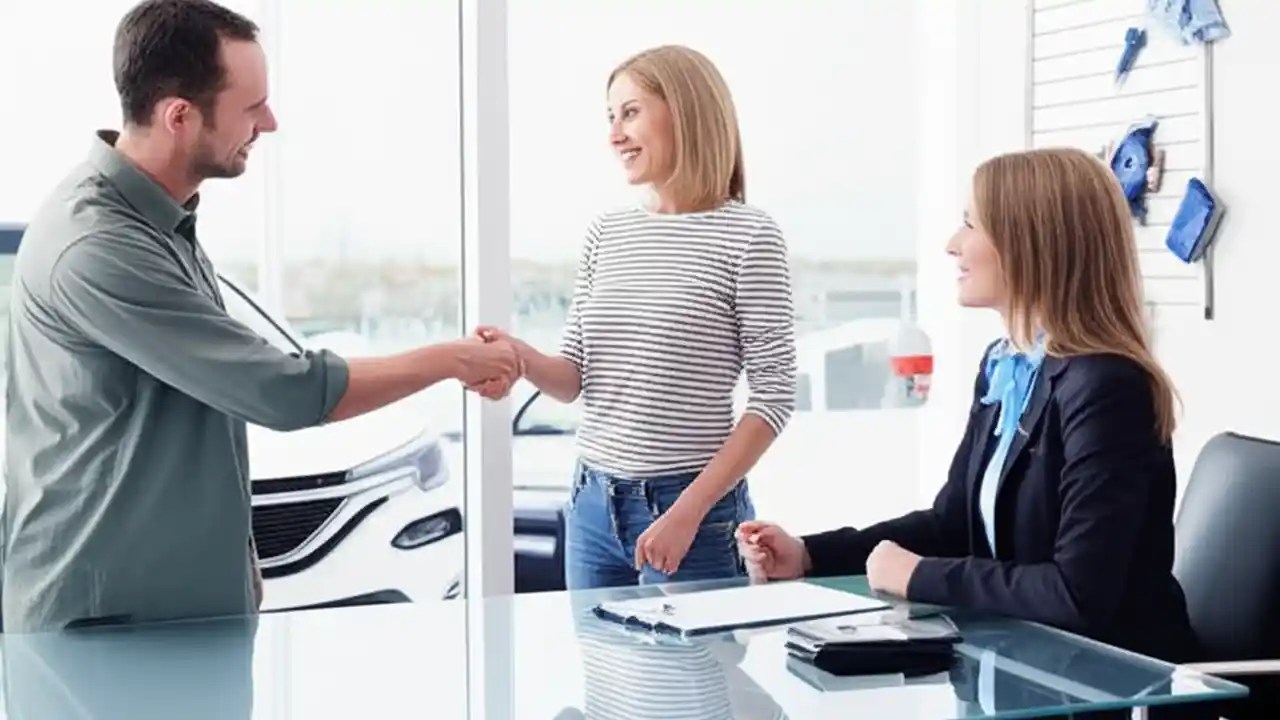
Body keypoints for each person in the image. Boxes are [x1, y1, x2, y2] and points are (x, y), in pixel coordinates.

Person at [2, 0, 517, 633]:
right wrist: (451, 359)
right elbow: (283, 390)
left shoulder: (159, 222)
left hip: (171, 621)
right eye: (252, 107)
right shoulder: (98, 246)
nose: (269, 123)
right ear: (180, 117)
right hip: (107, 627)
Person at [737, 148, 1201, 667]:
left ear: (1031, 243)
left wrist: (917, 576)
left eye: (969, 224)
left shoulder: (1109, 386)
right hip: (1023, 663)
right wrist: (809, 554)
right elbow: (952, 524)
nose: (952, 244)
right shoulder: (1008, 366)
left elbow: (1077, 595)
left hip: (1111, 684)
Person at [472, 45, 797, 589]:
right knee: (605, 676)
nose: (614, 135)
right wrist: (520, 356)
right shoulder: (607, 233)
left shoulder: (750, 237)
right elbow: (574, 376)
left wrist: (687, 512)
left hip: (692, 515)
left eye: (630, 112)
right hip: (592, 506)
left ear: (687, 111)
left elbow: (773, 398)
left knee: (690, 676)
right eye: (610, 117)